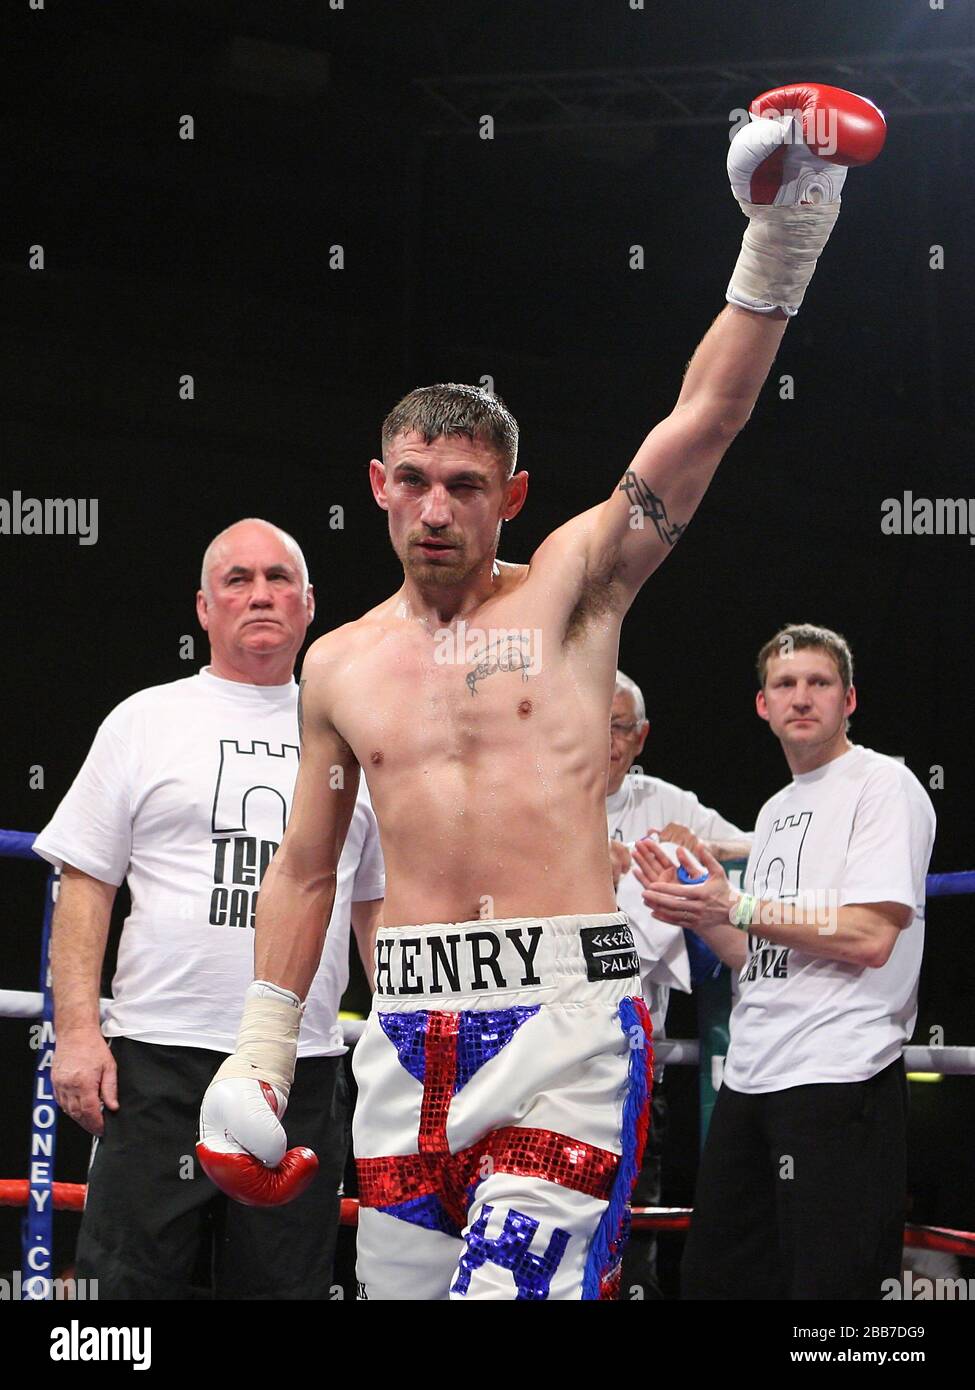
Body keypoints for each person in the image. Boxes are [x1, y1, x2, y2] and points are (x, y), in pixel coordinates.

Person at [199, 86, 888, 1301]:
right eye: (412, 480)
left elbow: (709, 416)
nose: (435, 506)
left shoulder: (573, 590)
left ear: (510, 499)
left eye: (466, 484)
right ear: (376, 484)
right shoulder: (339, 662)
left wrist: (789, 222)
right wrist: (260, 1042)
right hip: (401, 1037)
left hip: (563, 1018)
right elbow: (307, 867)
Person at [34, 519, 384, 1299]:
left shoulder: (357, 738)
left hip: (303, 1063)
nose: (259, 594)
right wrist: (80, 1031)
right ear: (203, 606)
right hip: (155, 1058)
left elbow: (377, 906)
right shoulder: (144, 720)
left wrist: (401, 1043)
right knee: (124, 1292)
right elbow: (86, 881)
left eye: (277, 578)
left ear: (308, 603)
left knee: (284, 1287)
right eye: (237, 579)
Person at [634, 624, 936, 1300]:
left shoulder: (882, 785)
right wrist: (698, 909)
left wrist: (734, 904)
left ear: (848, 698)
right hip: (750, 1078)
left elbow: (868, 937)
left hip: (839, 1074)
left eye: (818, 683)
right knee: (719, 1281)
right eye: (785, 684)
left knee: (832, 1296)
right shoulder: (774, 810)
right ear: (762, 705)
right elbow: (757, 957)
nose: (801, 697)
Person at [606, 668, 752, 1299]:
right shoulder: (535, 794)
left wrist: (705, 848)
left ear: (640, 738)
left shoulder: (665, 803)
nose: (603, 738)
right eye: (591, 721)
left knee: (632, 1235)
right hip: (537, 1050)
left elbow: (756, 853)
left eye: (617, 726)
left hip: (636, 1064)